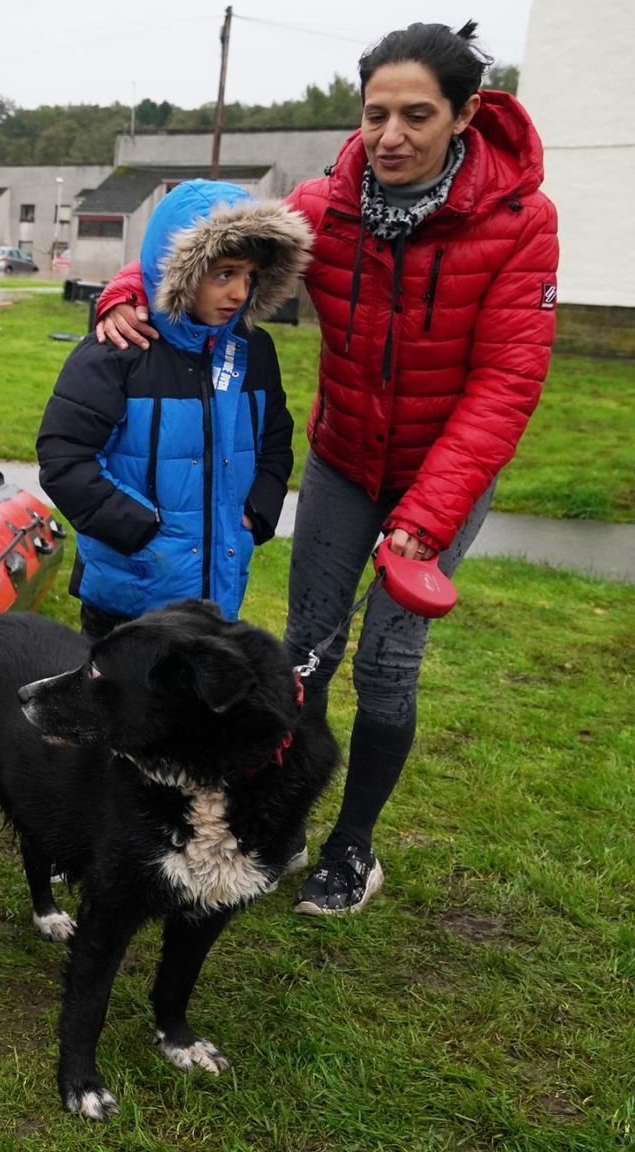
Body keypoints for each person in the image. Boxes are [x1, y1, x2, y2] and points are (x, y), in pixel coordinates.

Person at [91, 21, 558, 915]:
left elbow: (507, 381)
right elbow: (205, 242)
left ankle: (354, 847)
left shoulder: (519, 221)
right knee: (306, 651)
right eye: (376, 113)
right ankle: (290, 817)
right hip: (346, 460)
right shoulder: (326, 203)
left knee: (387, 662)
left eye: (417, 115)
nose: (391, 136)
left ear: (465, 115)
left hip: (445, 473)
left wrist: (426, 516)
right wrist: (127, 290)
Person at [36, 181, 306, 638]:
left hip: (218, 598)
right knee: (117, 710)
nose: (240, 292)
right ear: (179, 270)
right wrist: (143, 530)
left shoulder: (254, 352)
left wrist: (256, 512)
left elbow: (276, 442)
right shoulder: (117, 351)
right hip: (126, 601)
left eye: (249, 275)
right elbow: (64, 457)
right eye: (224, 274)